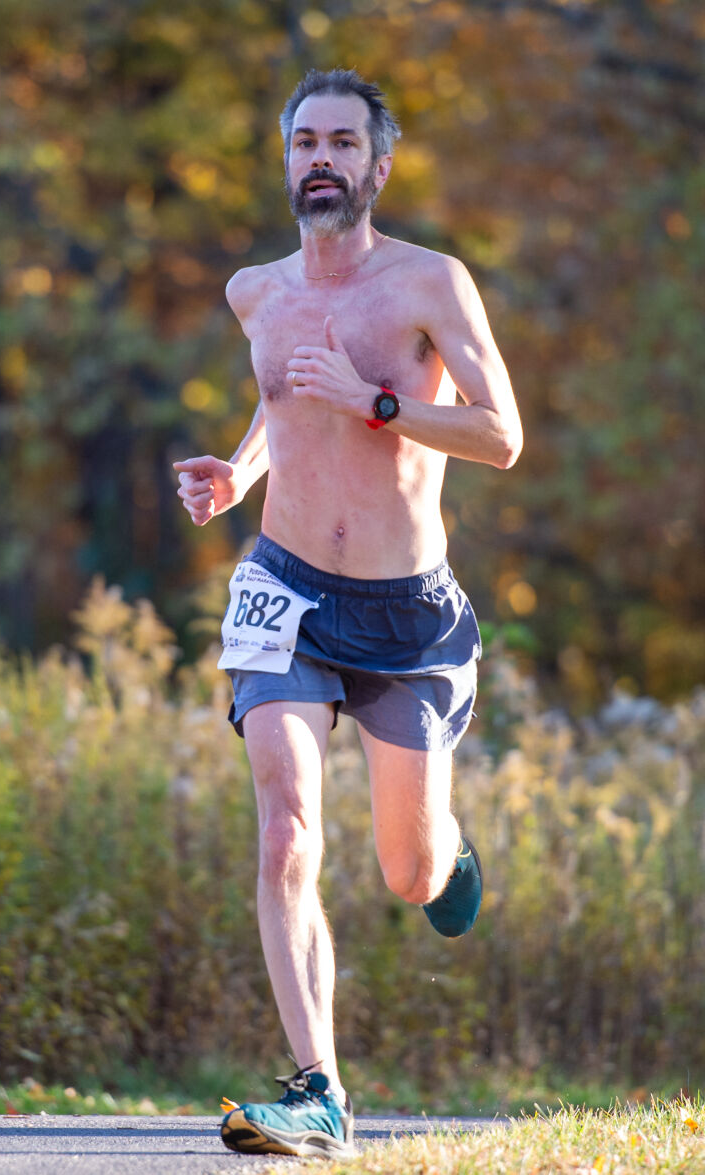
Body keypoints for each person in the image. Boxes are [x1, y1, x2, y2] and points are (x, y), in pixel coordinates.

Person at [173, 67, 522, 1159]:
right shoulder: (255, 293)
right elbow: (284, 400)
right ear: (285, 161)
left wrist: (377, 403)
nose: (318, 159)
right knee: (283, 823)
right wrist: (237, 472)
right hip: (282, 589)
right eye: (301, 142)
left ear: (377, 165)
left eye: (339, 142)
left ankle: (446, 849)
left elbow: (500, 433)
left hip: (406, 613)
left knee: (405, 871)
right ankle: (318, 1088)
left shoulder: (428, 285)